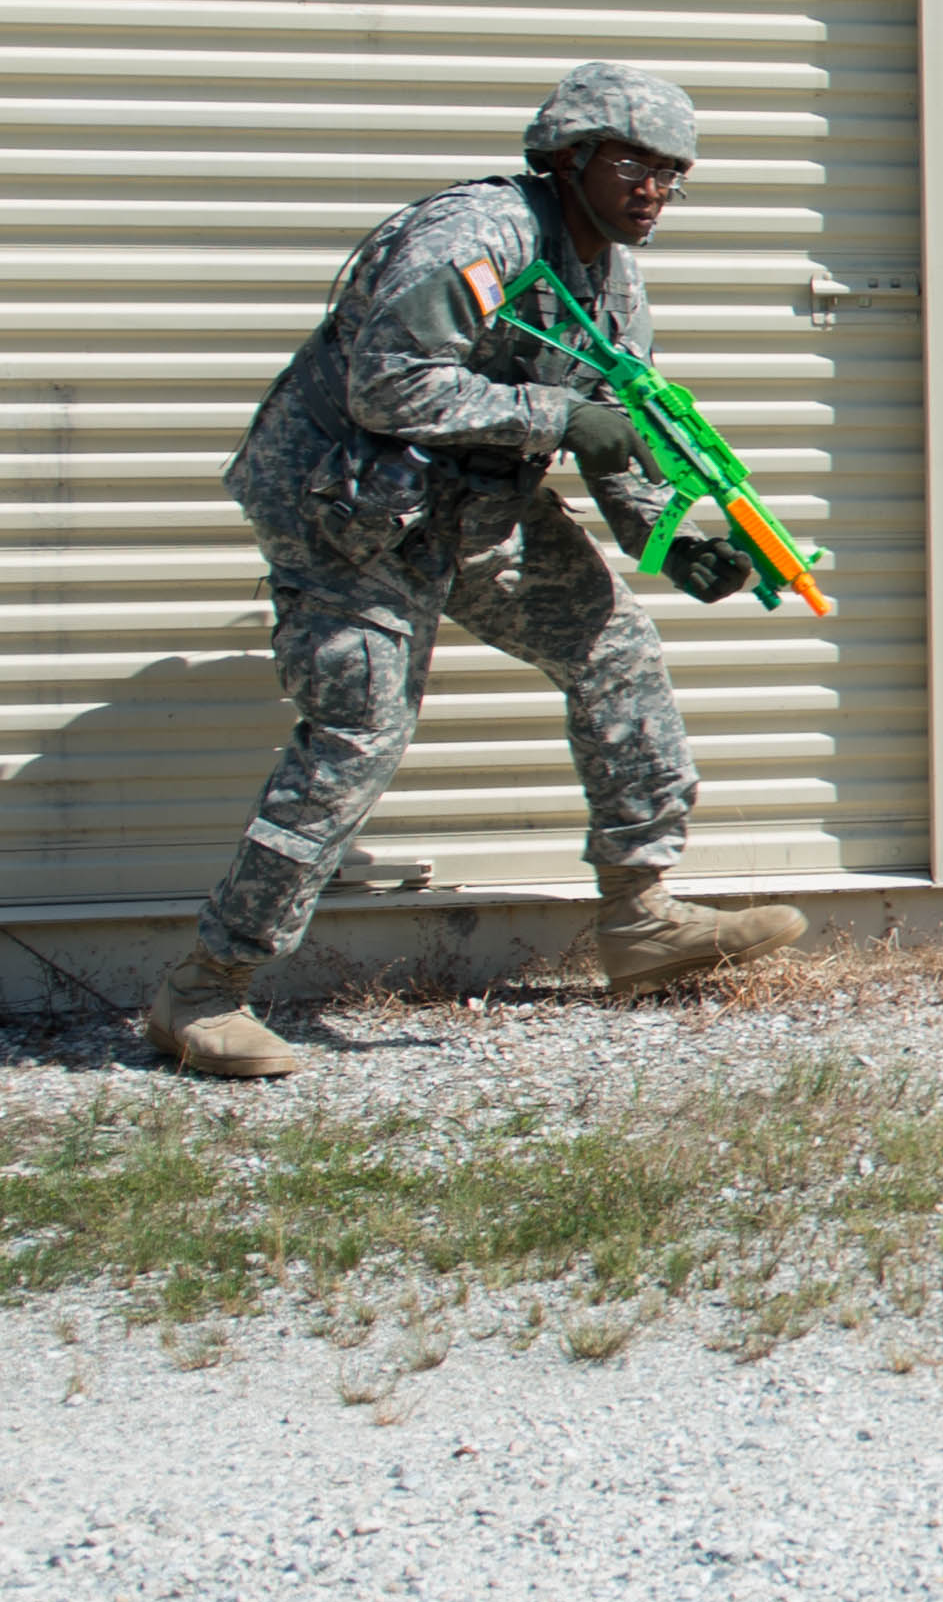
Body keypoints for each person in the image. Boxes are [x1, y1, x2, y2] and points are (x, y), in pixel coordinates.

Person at [142, 63, 810, 1080]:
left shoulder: (608, 279)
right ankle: (202, 990)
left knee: (614, 651)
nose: (653, 190)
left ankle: (639, 915)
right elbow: (388, 384)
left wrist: (675, 538)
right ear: (571, 156)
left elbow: (619, 433)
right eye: (632, 163)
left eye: (673, 174)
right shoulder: (475, 235)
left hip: (477, 510)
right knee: (358, 735)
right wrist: (555, 418)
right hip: (349, 515)